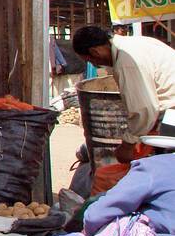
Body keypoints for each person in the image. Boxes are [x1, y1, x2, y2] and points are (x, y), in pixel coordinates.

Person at [72, 25, 175, 162]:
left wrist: (127, 145)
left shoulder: (126, 62)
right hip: (168, 111)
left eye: (90, 60)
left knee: (165, 169)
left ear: (95, 52)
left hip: (171, 115)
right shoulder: (134, 43)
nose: (96, 64)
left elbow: (144, 108)